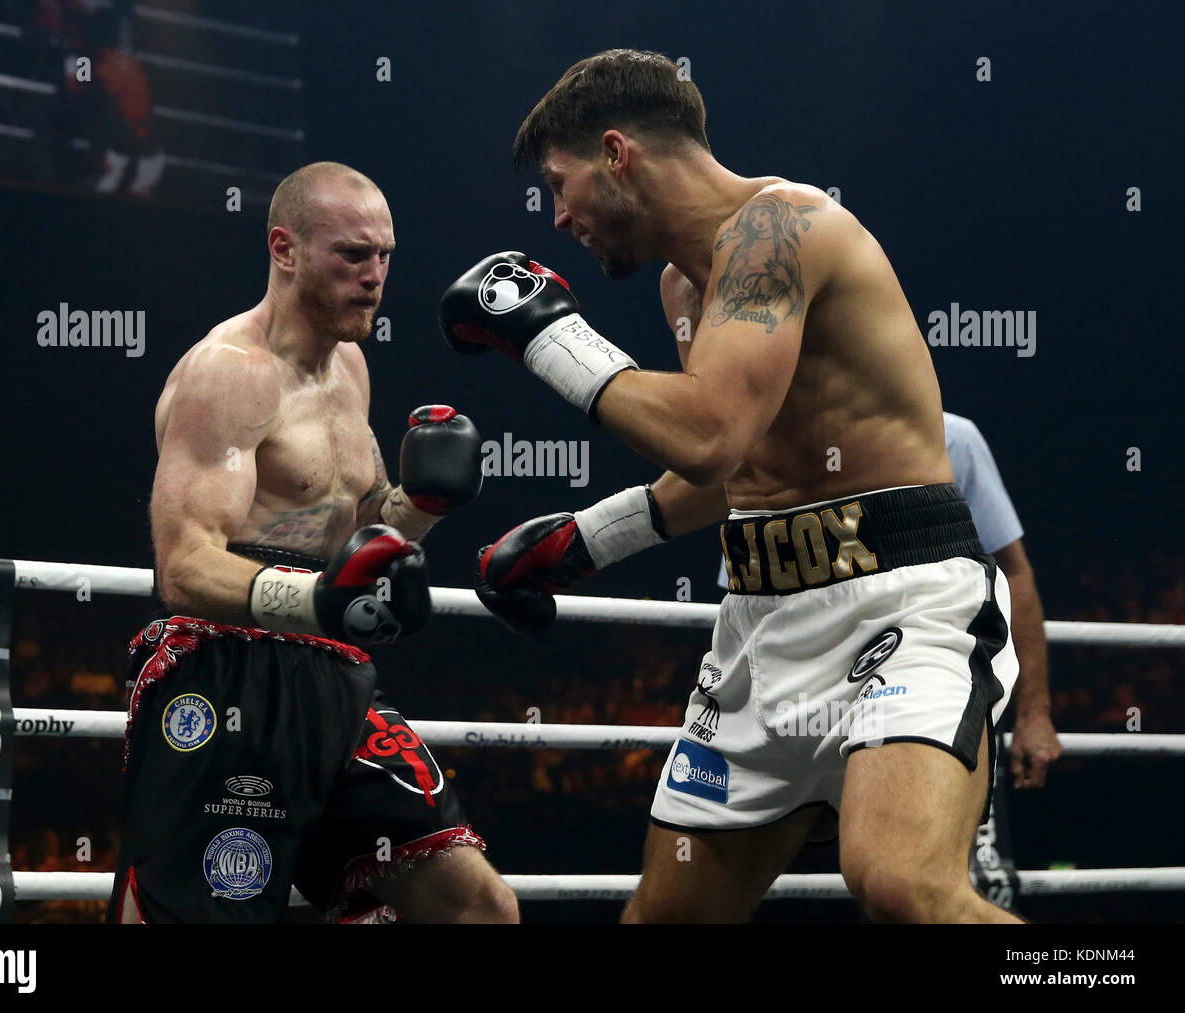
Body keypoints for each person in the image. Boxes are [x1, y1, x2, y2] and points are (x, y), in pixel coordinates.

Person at [440, 50, 1020, 923]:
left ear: (617, 152)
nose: (559, 218)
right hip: (762, 630)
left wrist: (544, 334)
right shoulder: (685, 281)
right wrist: (582, 540)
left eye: (563, 186)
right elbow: (735, 466)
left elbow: (706, 433)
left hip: (904, 609)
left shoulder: (781, 227)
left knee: (905, 885)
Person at [108, 161, 518, 924]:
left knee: (478, 906)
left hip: (333, 677)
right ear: (285, 249)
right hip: (227, 670)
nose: (376, 276)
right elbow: (184, 564)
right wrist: (319, 600)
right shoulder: (228, 373)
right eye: (354, 255)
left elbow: (362, 538)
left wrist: (421, 504)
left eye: (385, 256)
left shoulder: (350, 368)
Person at [715, 410, 1062, 788]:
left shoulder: (951, 438)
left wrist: (1034, 713)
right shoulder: (763, 445)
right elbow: (744, 600)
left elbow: (1012, 571)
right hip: (790, 695)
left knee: (918, 829)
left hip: (919, 680)